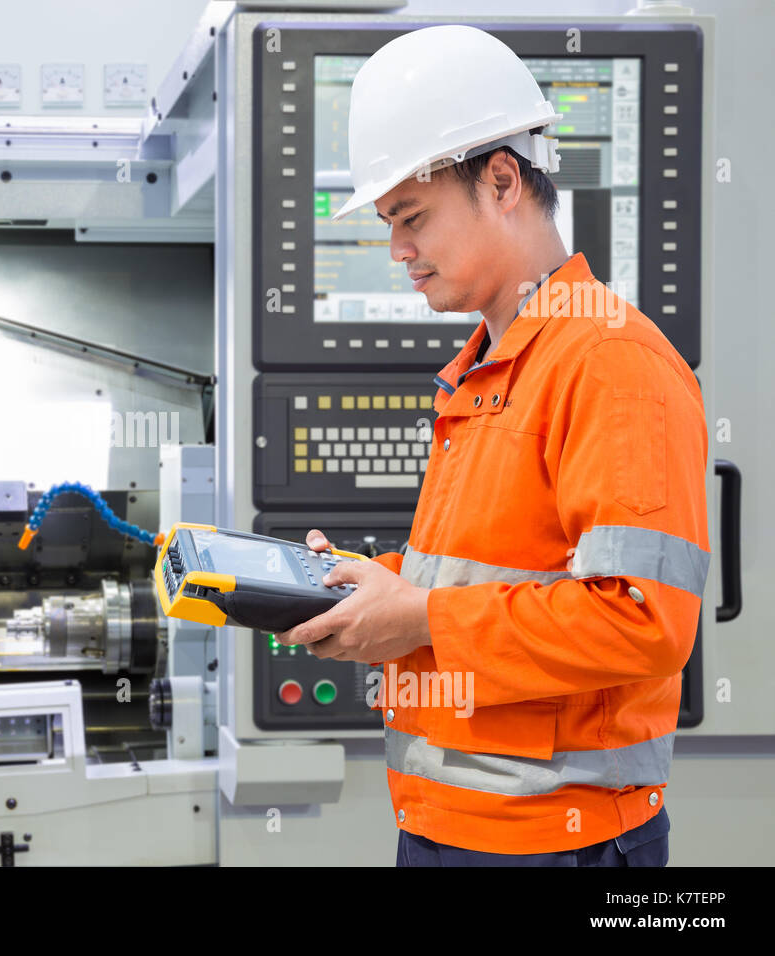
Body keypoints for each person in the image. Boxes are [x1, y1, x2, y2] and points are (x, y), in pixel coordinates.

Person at [275, 25, 709, 866]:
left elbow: (642, 621)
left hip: (557, 841)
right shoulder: (490, 367)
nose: (397, 248)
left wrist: (420, 616)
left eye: (412, 217)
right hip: (448, 826)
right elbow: (495, 571)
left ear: (502, 180)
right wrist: (383, 585)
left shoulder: (609, 362)